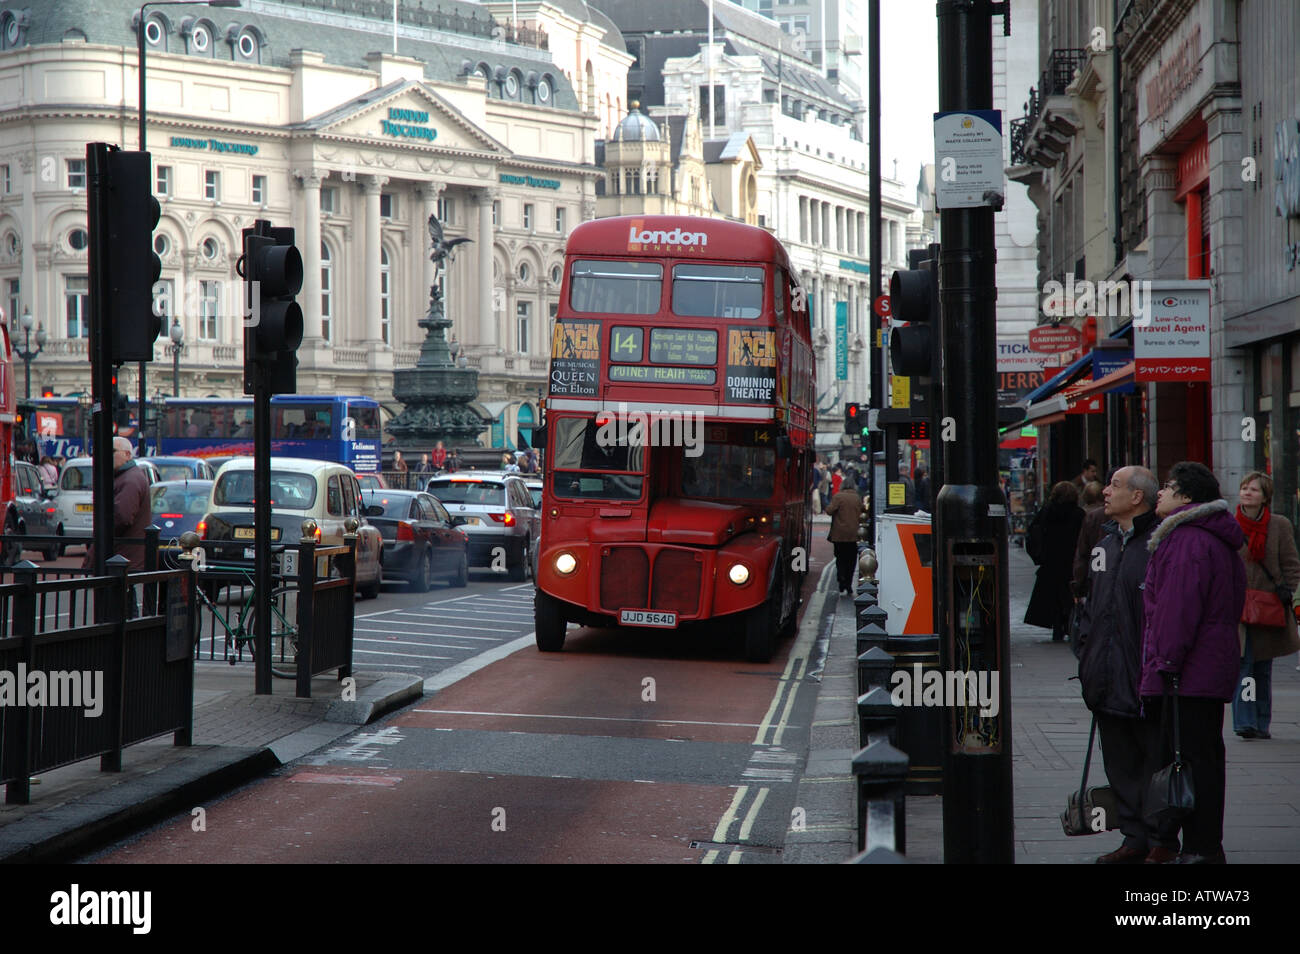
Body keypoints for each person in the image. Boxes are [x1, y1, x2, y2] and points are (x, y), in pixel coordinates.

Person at [1140, 461, 1246, 864]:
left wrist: (1164, 661)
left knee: (1192, 760)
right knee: (1202, 756)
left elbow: (1175, 611)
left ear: (1187, 497)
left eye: (1168, 486)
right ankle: (1198, 844)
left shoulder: (1188, 541)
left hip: (1188, 670)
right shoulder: (1207, 537)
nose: (1160, 493)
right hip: (1206, 666)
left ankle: (1201, 847)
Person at [1075, 466, 1178, 864]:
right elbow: (1092, 603)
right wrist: (1086, 651)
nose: (1105, 491)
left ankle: (1162, 840)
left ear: (1137, 497)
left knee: (1155, 762)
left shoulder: (1157, 544)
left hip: (1144, 676)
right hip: (1104, 674)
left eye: (1115, 485)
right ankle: (1133, 837)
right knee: (1119, 764)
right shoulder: (1105, 542)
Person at [1232, 471, 1300, 740]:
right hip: (1239, 607)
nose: (1248, 493)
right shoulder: (1230, 524)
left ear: (1265, 497)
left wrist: (1290, 592)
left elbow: (1292, 564)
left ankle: (1261, 722)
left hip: (1269, 605)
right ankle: (1245, 721)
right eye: (1245, 488)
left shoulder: (1279, 525)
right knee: (1244, 664)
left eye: (1254, 490)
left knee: (1262, 667)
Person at [84, 438, 153, 616]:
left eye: (112, 451)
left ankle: (127, 640)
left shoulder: (130, 480)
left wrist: (100, 539)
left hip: (121, 557)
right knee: (121, 604)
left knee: (120, 609)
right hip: (120, 557)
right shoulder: (126, 477)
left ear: (127, 455)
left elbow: (121, 517)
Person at [1025, 481, 1084, 641]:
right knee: (1070, 596)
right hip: (1071, 561)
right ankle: (1070, 627)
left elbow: (1032, 535)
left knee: (1054, 598)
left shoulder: (1046, 512)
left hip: (1050, 562)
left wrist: (1038, 556)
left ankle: (1057, 628)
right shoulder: (1079, 514)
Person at [825, 468, 863, 595]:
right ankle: (848, 584)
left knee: (840, 558)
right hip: (853, 534)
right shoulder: (857, 498)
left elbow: (829, 511)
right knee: (851, 560)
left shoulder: (838, 497)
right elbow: (862, 511)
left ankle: (841, 580)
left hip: (839, 534)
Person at [1071, 479, 1109, 601]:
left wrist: (1079, 584)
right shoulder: (1105, 514)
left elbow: (1082, 554)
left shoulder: (1089, 516)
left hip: (1094, 571)